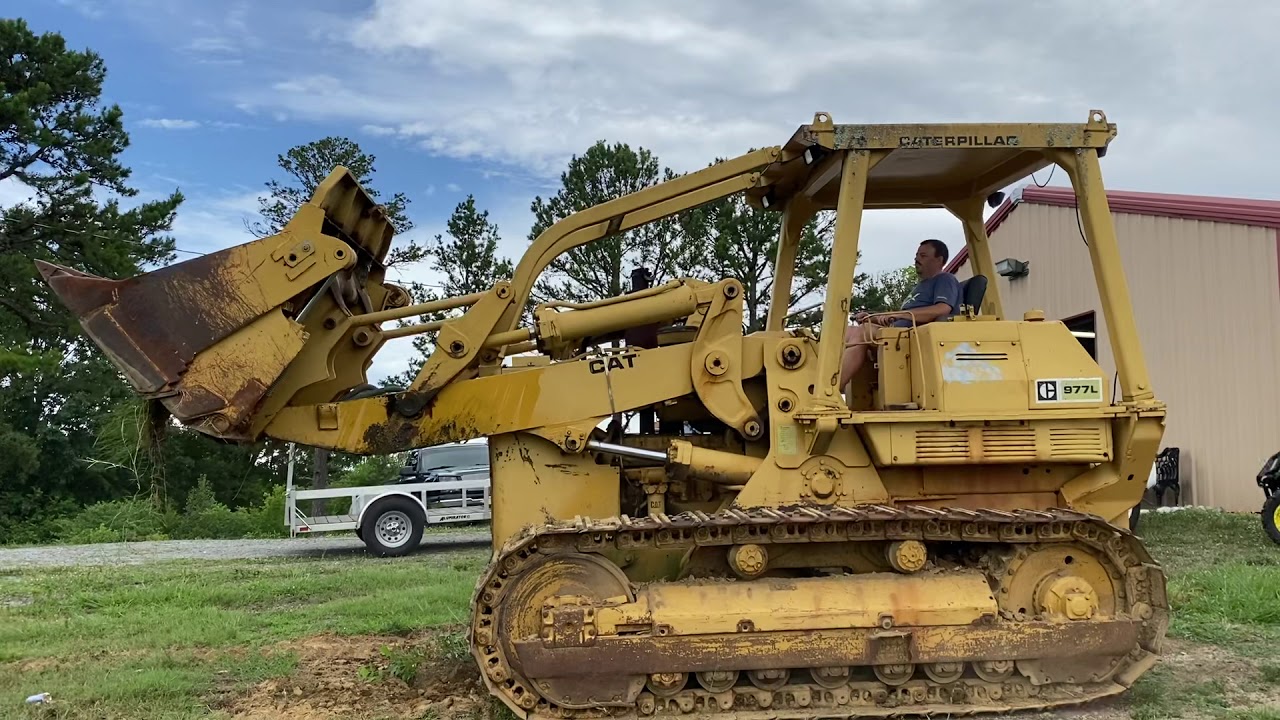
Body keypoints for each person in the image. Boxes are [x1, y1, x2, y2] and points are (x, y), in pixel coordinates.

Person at [839, 239, 962, 389]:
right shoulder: (920, 287)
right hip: (896, 334)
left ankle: (830, 390)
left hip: (913, 339)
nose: (917, 259)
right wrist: (872, 317)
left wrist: (903, 315)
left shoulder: (944, 280)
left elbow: (942, 309)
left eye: (923, 256)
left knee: (862, 334)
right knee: (845, 331)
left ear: (939, 259)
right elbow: (897, 318)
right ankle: (816, 384)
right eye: (916, 255)